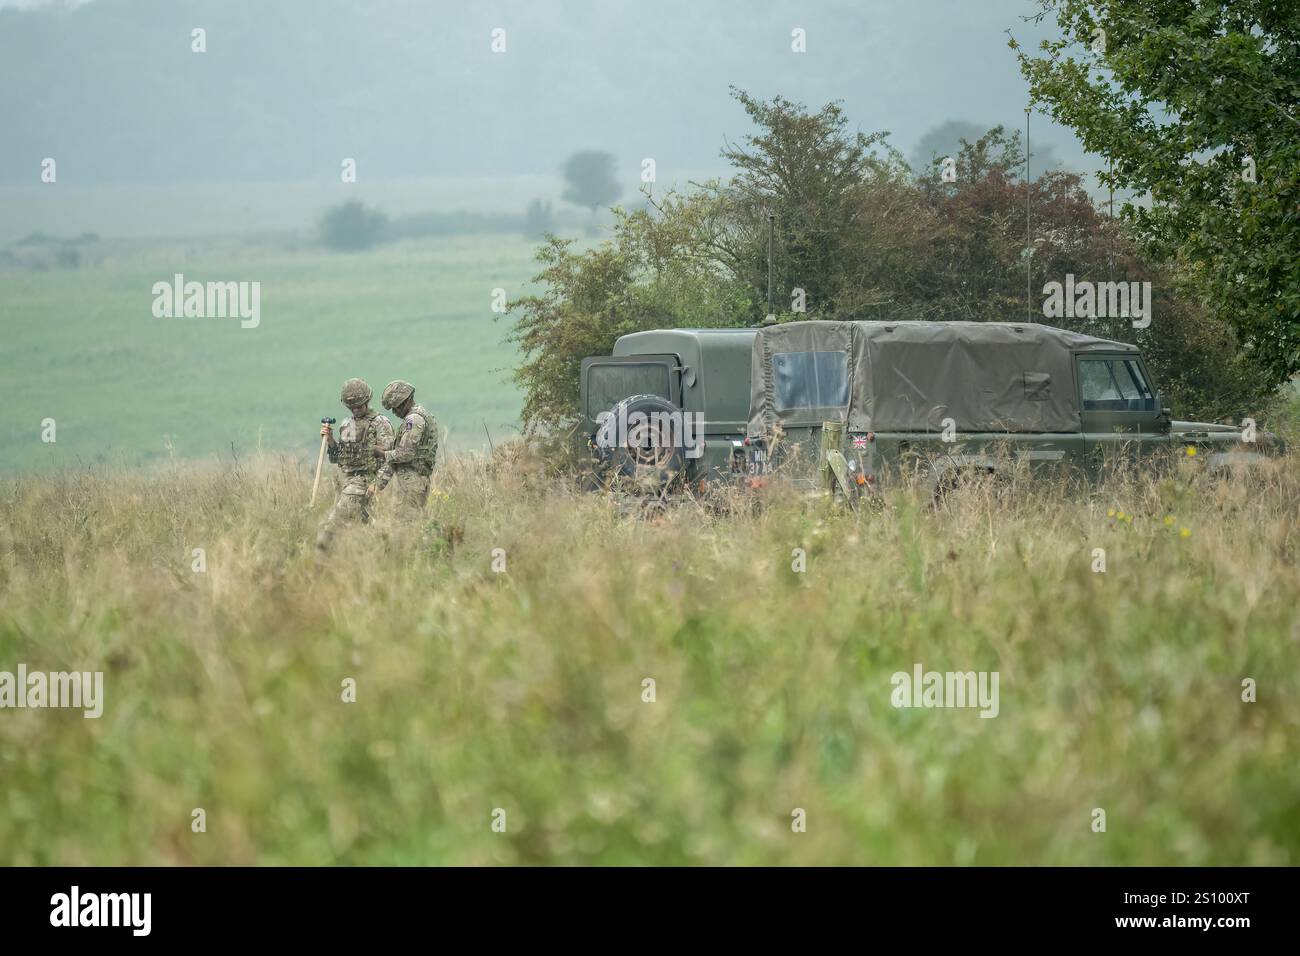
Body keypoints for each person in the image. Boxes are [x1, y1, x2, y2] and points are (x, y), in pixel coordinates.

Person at [315, 378, 395, 551]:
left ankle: (321, 563)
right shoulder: (346, 424)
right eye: (352, 407)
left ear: (367, 401)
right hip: (346, 483)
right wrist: (330, 441)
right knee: (367, 532)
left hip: (365, 484)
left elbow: (390, 458)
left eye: (359, 406)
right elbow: (339, 458)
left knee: (328, 531)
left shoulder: (381, 423)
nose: (356, 410)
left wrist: (377, 484)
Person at [376, 379, 438, 513]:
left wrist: (382, 454)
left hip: (411, 482)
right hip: (414, 481)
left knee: (405, 523)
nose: (394, 412)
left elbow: (406, 454)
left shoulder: (413, 419)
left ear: (405, 402)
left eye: (396, 407)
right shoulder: (419, 416)